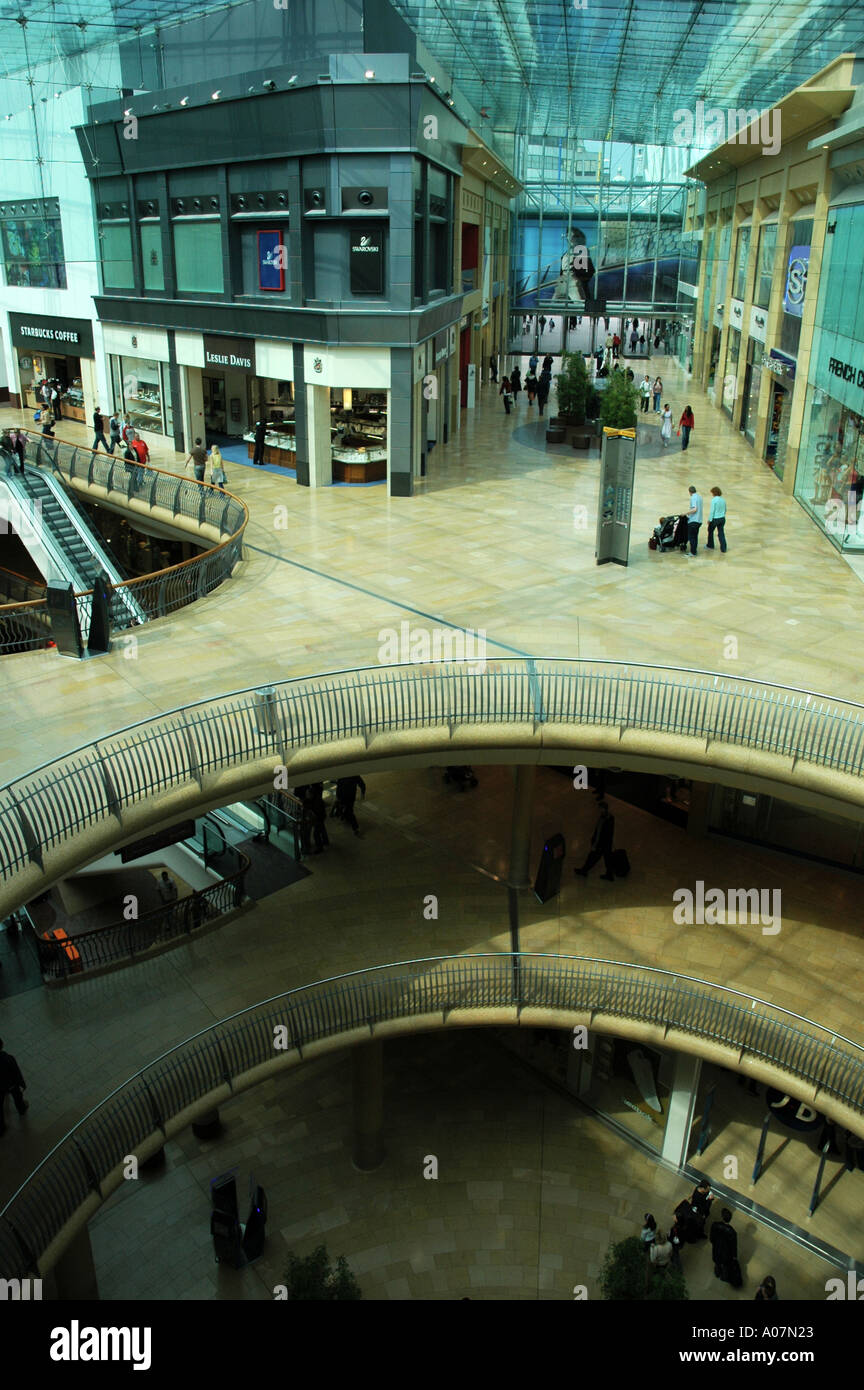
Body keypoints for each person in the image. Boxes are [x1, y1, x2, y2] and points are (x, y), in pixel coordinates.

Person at [575, 801, 615, 880]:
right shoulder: (608, 817)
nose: (599, 810)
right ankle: (609, 875)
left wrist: (596, 844)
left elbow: (602, 833)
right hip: (605, 844)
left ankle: (584, 871)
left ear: (603, 809)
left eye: (600, 808)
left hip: (601, 844)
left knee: (592, 857)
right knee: (606, 859)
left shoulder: (606, 819)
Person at [0, 1037, 29, 1137]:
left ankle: (1, 1127)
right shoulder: (8, 1058)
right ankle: (21, 1109)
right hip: (11, 1085)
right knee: (18, 1097)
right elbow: (16, 1072)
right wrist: (22, 1083)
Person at [709, 1208, 738, 1282]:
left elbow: (712, 1237)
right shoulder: (732, 1232)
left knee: (717, 1263)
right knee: (725, 1266)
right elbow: (733, 1246)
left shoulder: (715, 1225)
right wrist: (734, 1256)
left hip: (716, 1249)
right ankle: (724, 1277)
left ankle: (717, 1272)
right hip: (726, 1253)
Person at [706, 487, 727, 552]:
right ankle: (723, 548)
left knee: (710, 530)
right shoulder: (723, 500)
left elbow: (712, 511)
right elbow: (725, 509)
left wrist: (709, 520)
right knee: (721, 533)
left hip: (715, 519)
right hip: (722, 518)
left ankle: (710, 545)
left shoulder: (714, 500)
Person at [685, 485, 703, 557]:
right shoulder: (699, 497)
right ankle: (694, 551)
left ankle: (692, 552)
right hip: (699, 520)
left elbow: (695, 509)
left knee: (691, 537)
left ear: (690, 492)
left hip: (693, 521)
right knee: (695, 537)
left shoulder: (693, 497)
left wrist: (686, 513)